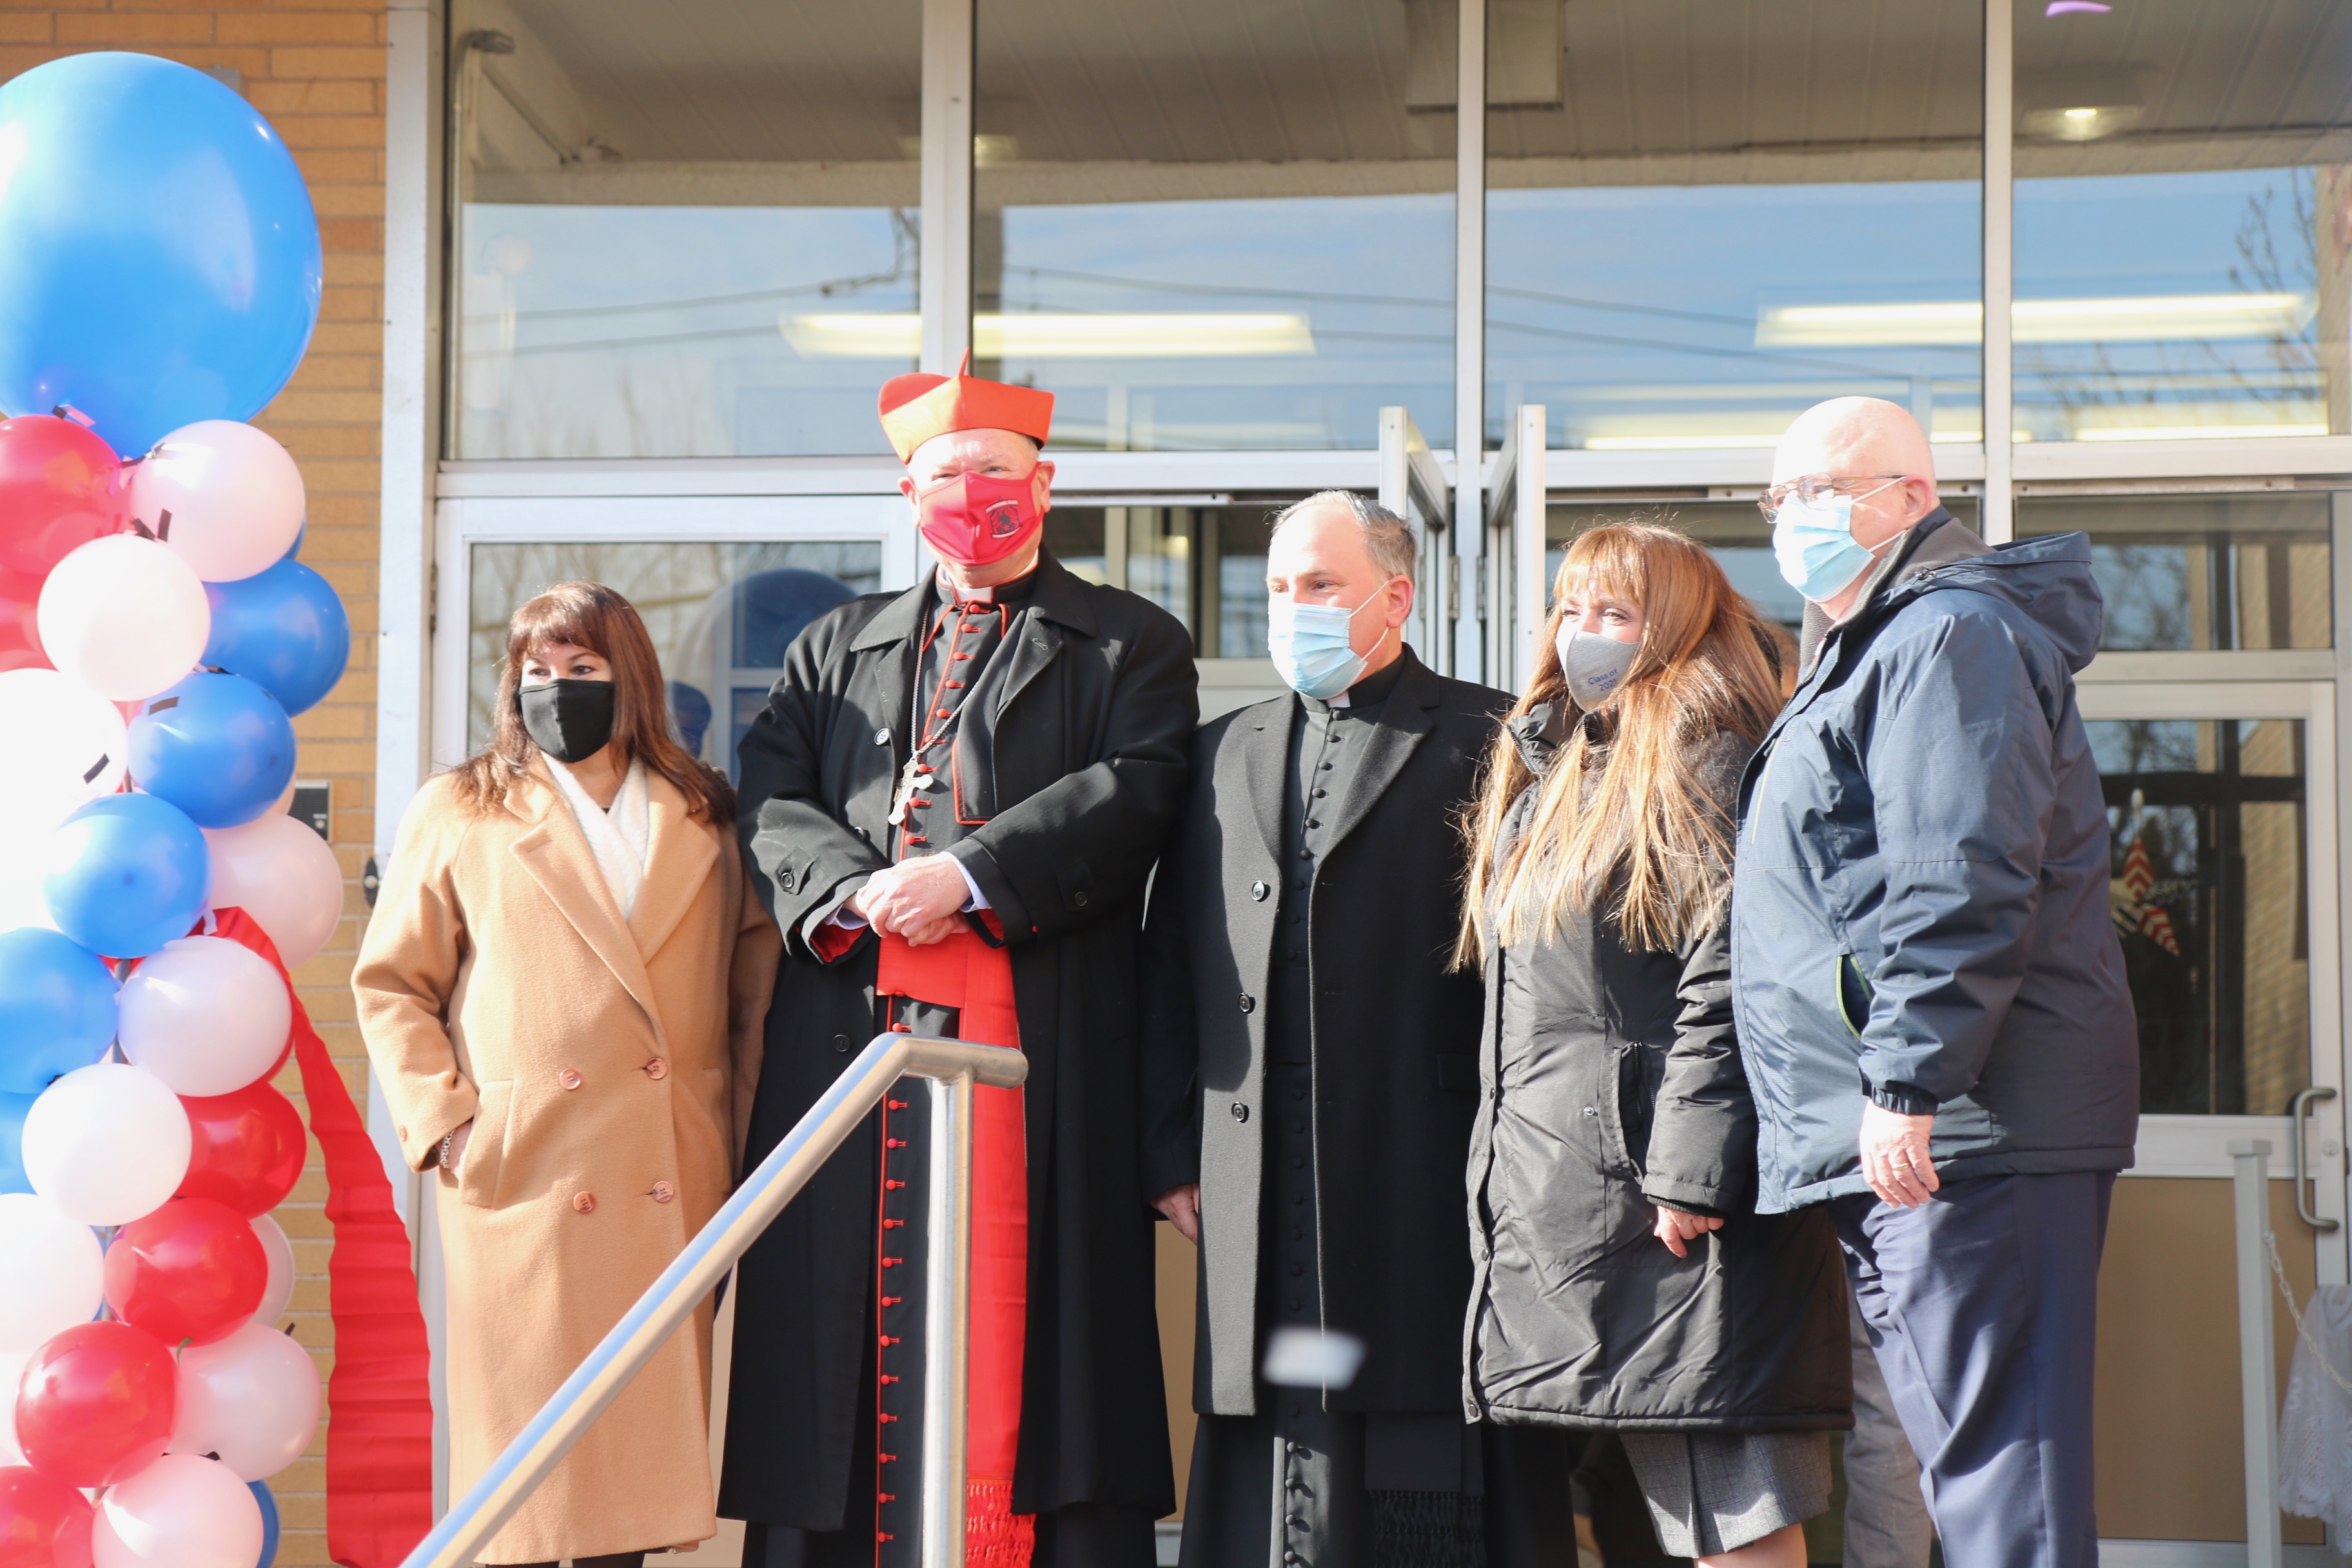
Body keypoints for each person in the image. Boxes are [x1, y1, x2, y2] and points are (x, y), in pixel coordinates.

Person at [718, 357, 1199, 1568]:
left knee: (1038, 1337)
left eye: (996, 471)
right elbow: (771, 795)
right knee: (840, 1336)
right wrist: (847, 891)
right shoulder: (836, 645)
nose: (970, 492)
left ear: (1046, 485)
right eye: (946, 474)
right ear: (905, 490)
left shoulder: (1129, 642)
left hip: (1042, 1031)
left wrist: (971, 875)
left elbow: (1139, 789)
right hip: (853, 1028)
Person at [1733, 397, 2139, 1568]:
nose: (1794, 517)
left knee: (2006, 1477)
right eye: (1781, 497)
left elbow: (1956, 870)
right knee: (1976, 1468)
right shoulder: (1875, 646)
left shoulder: (1946, 636)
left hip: (1969, 1127)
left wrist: (1908, 1079)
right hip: (1940, 1128)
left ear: (1913, 496)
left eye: (1823, 489)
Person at [1137, 492, 1565, 1567]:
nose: (1295, 610)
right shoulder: (1221, 751)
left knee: (1425, 1396)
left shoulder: (1497, 735)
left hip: (1429, 1147)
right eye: (1280, 589)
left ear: (1395, 595)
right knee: (1278, 1400)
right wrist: (1170, 1150)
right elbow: (1172, 959)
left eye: (1320, 586)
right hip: (1256, 1160)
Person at [353, 582, 779, 1568]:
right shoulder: (463, 805)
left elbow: (754, 998)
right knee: (528, 1474)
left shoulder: (703, 812)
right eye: (535, 671)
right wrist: (447, 1122)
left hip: (667, 1172)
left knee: (626, 1474)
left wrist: (734, 1138)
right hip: (526, 1171)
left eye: (581, 669)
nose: (556, 689)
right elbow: (392, 984)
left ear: (626, 677)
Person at [1458, 522, 1852, 1568]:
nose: (1587, 633)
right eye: (1573, 608)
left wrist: (1689, 1169)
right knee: (1667, 1506)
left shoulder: (1706, 755)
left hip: (1677, 1209)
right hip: (1586, 1195)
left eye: (1617, 613)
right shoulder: (1557, 760)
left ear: (1673, 627)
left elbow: (1731, 972)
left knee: (1736, 1510)